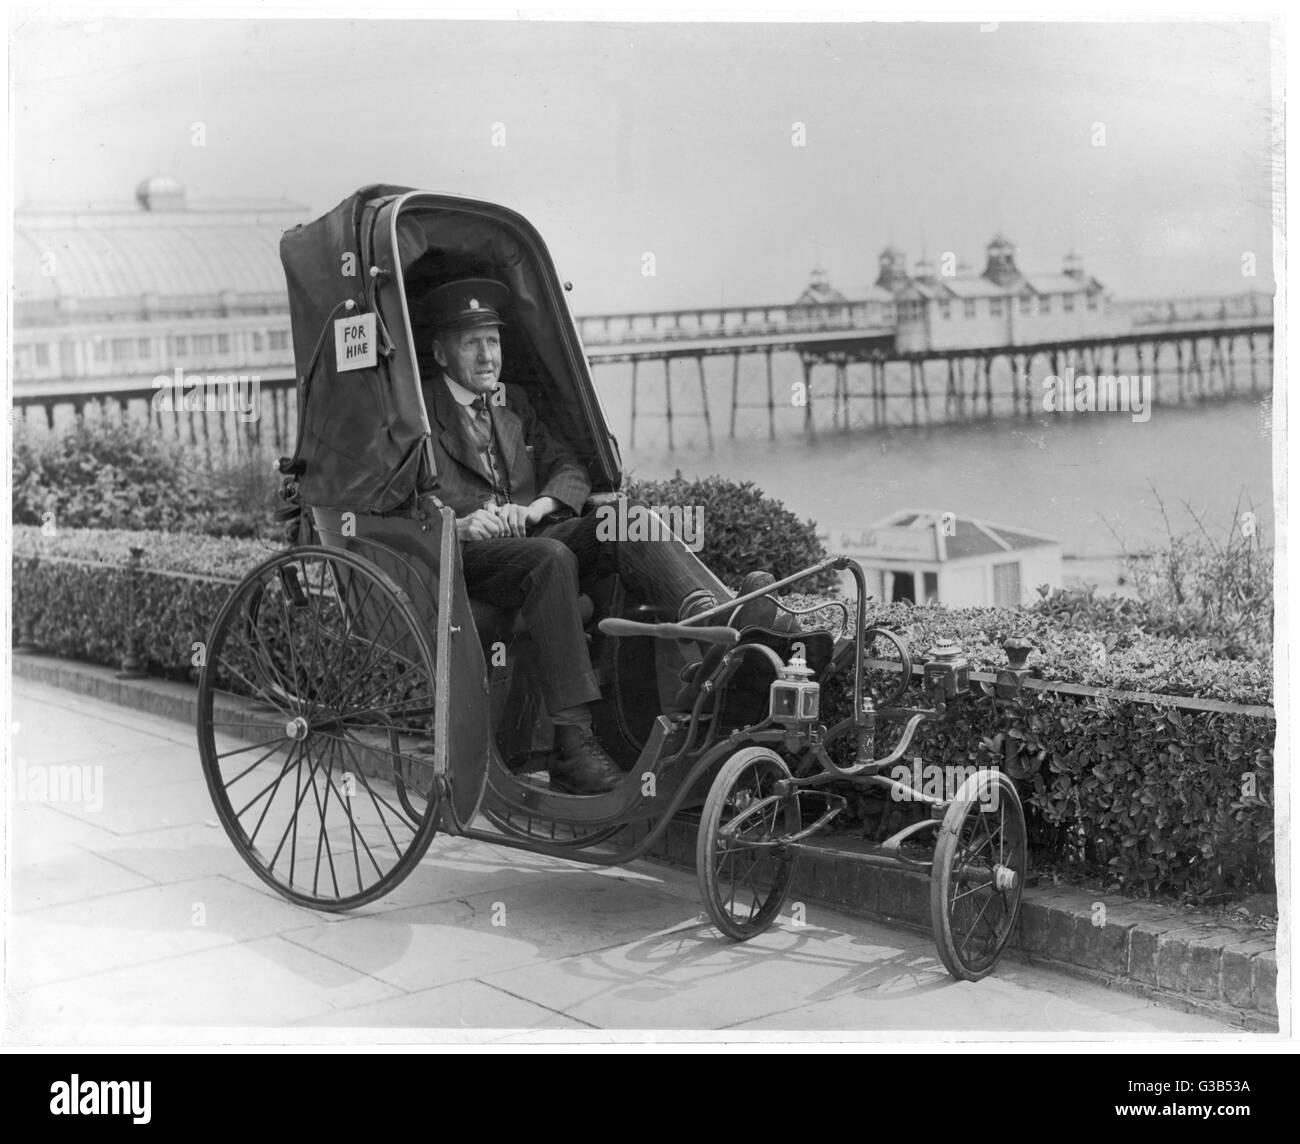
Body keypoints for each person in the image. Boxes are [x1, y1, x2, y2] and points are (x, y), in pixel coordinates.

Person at [419, 278, 735, 795]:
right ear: (439, 352)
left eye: (493, 341)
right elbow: (406, 499)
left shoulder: (511, 400)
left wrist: (539, 504)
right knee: (551, 558)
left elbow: (569, 463)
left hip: (532, 533)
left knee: (623, 520)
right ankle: (572, 746)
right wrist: (461, 520)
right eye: (470, 341)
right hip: (467, 555)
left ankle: (718, 623)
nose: (486, 355)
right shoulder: (421, 413)